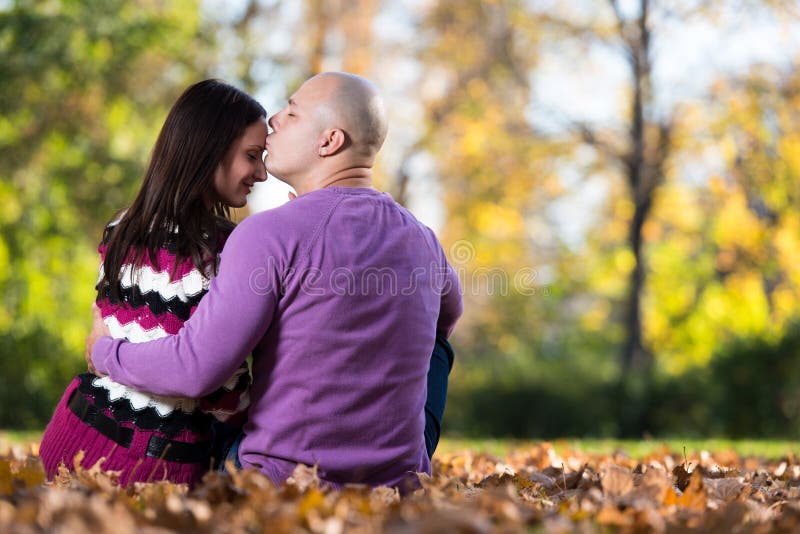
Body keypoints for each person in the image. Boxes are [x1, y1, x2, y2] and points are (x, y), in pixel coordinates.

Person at [87, 72, 463, 492]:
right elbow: (449, 317)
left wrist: (105, 352)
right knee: (435, 346)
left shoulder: (268, 233)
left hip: (282, 483)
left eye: (292, 112)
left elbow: (195, 371)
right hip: (397, 482)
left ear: (329, 141)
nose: (275, 122)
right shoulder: (423, 238)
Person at [39, 79, 268, 487]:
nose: (262, 173)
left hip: (71, 431)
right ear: (211, 149)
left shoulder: (120, 227)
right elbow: (220, 388)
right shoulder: (220, 250)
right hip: (150, 465)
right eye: (252, 156)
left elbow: (106, 328)